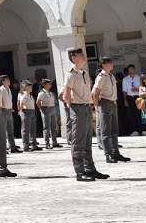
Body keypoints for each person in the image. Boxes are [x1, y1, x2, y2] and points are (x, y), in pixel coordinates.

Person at [64, 47, 109, 182]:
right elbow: (66, 93)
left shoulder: (84, 73)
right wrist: (71, 107)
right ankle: (80, 172)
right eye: (81, 54)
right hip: (77, 108)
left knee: (87, 141)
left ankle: (90, 169)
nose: (84, 56)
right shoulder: (71, 74)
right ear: (74, 58)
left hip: (86, 107)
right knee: (78, 142)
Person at [94, 57, 129, 163]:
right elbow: (95, 93)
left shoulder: (111, 76)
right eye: (109, 62)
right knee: (106, 132)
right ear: (103, 65)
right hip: (104, 103)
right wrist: (97, 107)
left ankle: (115, 153)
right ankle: (108, 155)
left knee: (114, 130)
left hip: (113, 103)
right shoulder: (101, 77)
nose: (112, 64)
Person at [0, 76, 21, 153]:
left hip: (9, 111)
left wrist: (11, 108)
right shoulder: (1, 89)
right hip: (3, 110)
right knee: (3, 131)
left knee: (10, 130)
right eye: (7, 80)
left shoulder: (9, 90)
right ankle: (3, 148)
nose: (9, 81)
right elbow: (0, 100)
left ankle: (12, 147)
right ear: (3, 82)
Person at [18, 80, 41, 151]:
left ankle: (34, 144)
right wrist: (22, 110)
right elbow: (21, 104)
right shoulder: (24, 95)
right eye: (29, 87)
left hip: (32, 111)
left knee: (33, 129)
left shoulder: (30, 95)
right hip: (26, 111)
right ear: (25, 87)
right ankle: (26, 146)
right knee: (26, 129)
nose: (31, 88)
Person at [121, 64, 143, 135]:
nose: (131, 71)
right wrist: (125, 100)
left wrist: (137, 90)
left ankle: (142, 130)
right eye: (129, 70)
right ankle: (134, 130)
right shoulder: (125, 79)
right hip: (130, 97)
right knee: (131, 114)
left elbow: (142, 88)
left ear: (134, 69)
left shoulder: (138, 78)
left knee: (140, 113)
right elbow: (124, 90)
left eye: (132, 69)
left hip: (138, 96)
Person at [38, 79, 60, 149]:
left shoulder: (50, 92)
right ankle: (47, 143)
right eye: (48, 84)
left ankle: (54, 142)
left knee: (53, 126)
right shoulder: (42, 93)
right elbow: (38, 102)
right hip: (46, 108)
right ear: (44, 85)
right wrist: (41, 109)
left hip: (52, 108)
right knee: (46, 127)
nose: (50, 85)